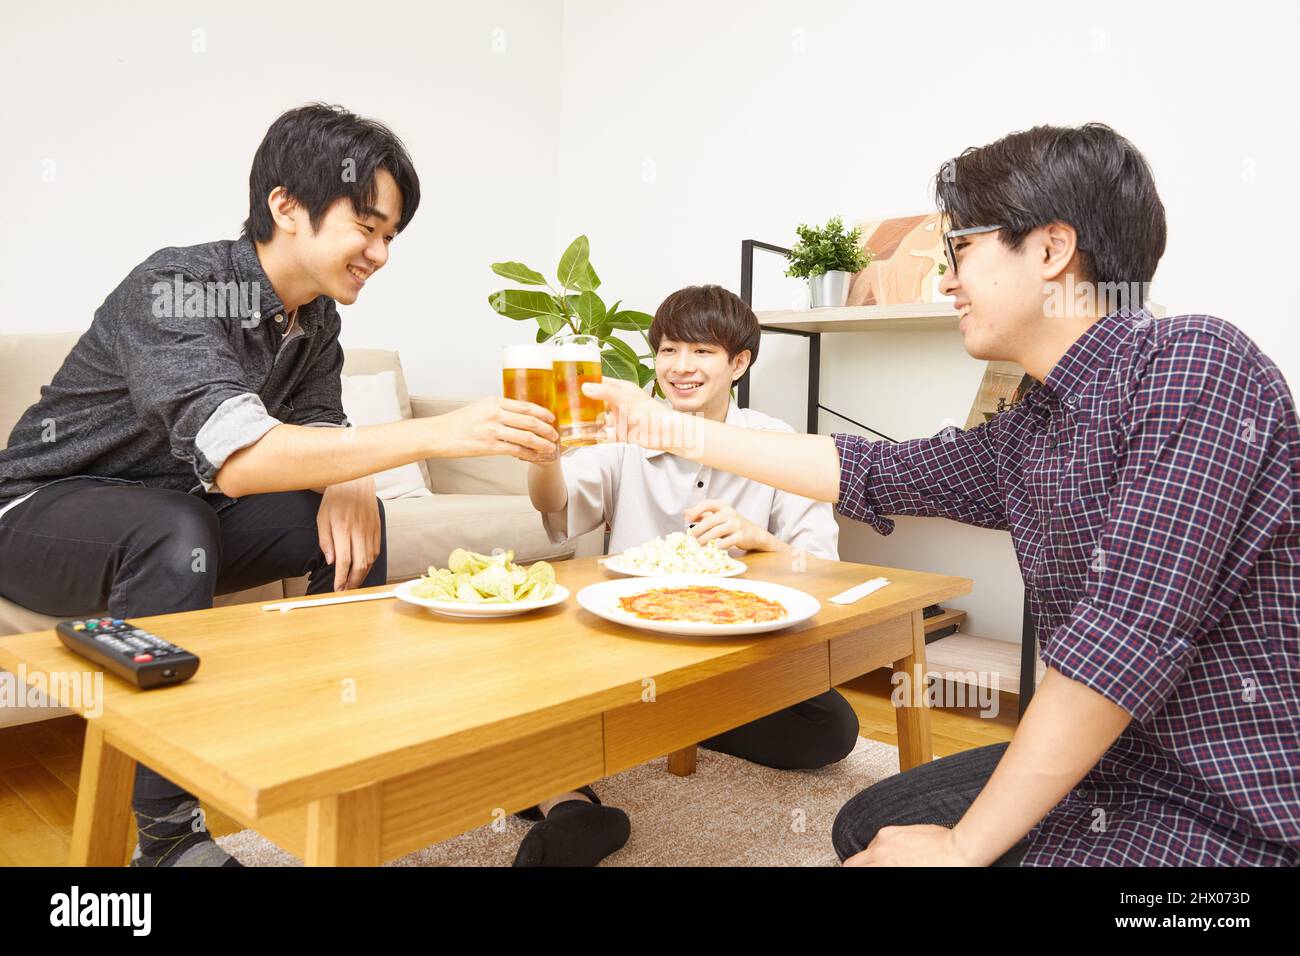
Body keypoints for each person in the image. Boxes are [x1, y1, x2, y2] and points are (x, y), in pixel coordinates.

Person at [585, 123, 1300, 866]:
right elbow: (870, 469)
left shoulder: (1195, 365)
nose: (946, 279)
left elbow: (1122, 639)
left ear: (1051, 250)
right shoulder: (1034, 425)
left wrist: (962, 848)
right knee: (871, 823)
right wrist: (665, 427)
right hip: (1112, 765)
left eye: (960, 250)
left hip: (1232, 800)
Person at [0, 103, 557, 866]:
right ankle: (166, 840)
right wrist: (434, 433)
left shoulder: (316, 320)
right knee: (175, 527)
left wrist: (350, 482)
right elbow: (240, 458)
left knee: (336, 525)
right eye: (367, 225)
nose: (381, 253)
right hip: (39, 515)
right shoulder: (179, 287)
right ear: (285, 206)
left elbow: (323, 431)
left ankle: (338, 757)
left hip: (176, 518)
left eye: (391, 235)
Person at [515, 284, 858, 866]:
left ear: (739, 363)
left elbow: (821, 570)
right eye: (669, 349)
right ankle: (574, 800)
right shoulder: (625, 435)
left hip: (735, 645)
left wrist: (760, 540)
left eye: (701, 352)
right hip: (627, 639)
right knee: (520, 690)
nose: (680, 367)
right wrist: (544, 458)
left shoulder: (774, 444)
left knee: (830, 727)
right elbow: (557, 506)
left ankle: (669, 723)